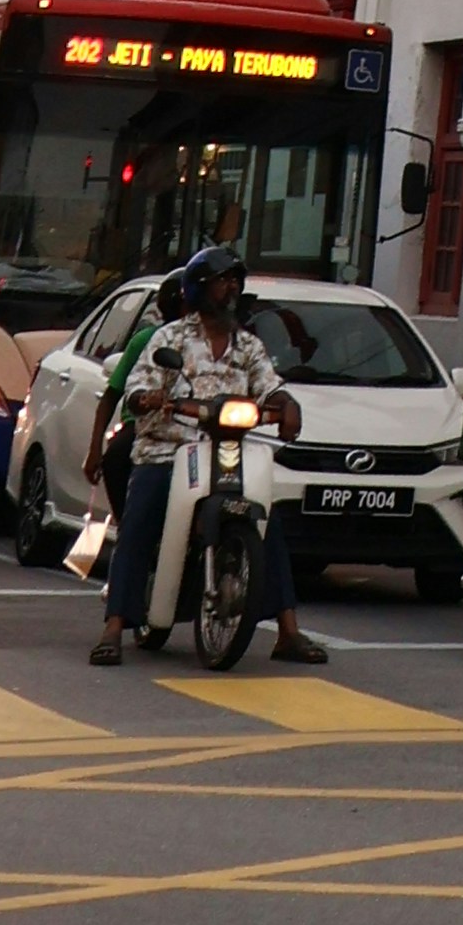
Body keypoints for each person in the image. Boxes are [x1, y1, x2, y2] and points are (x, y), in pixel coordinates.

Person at [86, 241, 325, 669]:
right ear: (199, 289)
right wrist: (148, 398)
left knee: (269, 523)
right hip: (167, 450)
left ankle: (288, 631)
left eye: (235, 280)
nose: (230, 288)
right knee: (139, 519)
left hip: (227, 447)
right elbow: (138, 386)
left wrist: (287, 405)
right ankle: (114, 626)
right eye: (221, 281)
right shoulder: (168, 337)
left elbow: (270, 385)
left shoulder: (248, 346)